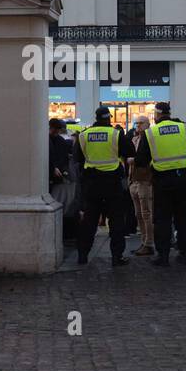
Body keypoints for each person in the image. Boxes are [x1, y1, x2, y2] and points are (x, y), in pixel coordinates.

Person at [135, 101, 186, 266]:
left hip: (162, 182)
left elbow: (140, 160)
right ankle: (184, 254)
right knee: (183, 219)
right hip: (183, 180)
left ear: (157, 115)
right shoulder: (184, 129)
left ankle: (163, 256)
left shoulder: (151, 133)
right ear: (169, 112)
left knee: (162, 220)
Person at [73, 106, 134, 266]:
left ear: (96, 118)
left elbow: (78, 158)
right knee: (116, 222)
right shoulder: (116, 134)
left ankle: (82, 255)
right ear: (108, 118)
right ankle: (116, 257)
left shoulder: (84, 135)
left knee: (89, 221)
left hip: (91, 183)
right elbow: (130, 150)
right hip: (112, 183)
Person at [127, 116, 155, 257]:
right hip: (134, 180)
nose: (137, 126)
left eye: (140, 123)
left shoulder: (151, 138)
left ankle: (149, 243)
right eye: (136, 123)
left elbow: (146, 159)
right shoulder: (134, 139)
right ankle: (144, 242)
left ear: (148, 124)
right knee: (139, 214)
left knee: (146, 214)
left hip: (145, 180)